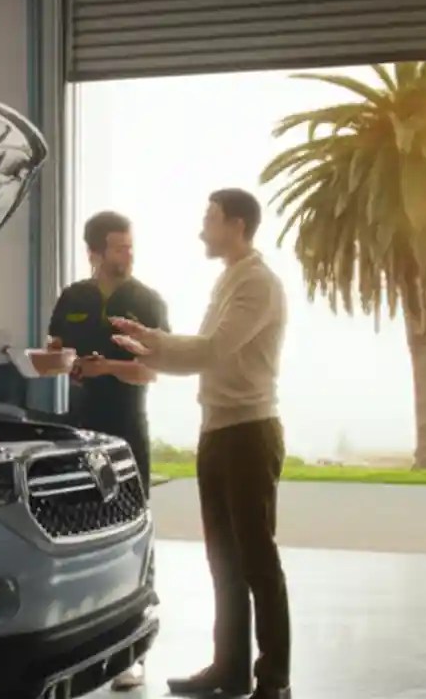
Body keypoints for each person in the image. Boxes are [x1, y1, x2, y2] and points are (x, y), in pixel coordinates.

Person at [109, 189, 291, 699]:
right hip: (218, 430)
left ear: (237, 224)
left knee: (256, 559)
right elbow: (200, 355)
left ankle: (274, 679)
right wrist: (150, 343)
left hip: (249, 432)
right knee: (223, 561)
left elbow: (210, 351)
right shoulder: (230, 279)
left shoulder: (257, 283)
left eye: (210, 219)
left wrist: (151, 340)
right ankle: (229, 670)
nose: (201, 229)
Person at [45, 209, 168, 691]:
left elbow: (151, 372)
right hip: (79, 432)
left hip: (127, 431)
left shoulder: (147, 302)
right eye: (119, 246)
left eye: (131, 246)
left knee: (133, 537)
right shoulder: (72, 297)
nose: (128, 254)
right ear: (94, 252)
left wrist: (106, 368)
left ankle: (133, 652)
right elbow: (55, 353)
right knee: (77, 533)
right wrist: (63, 362)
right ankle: (78, 640)